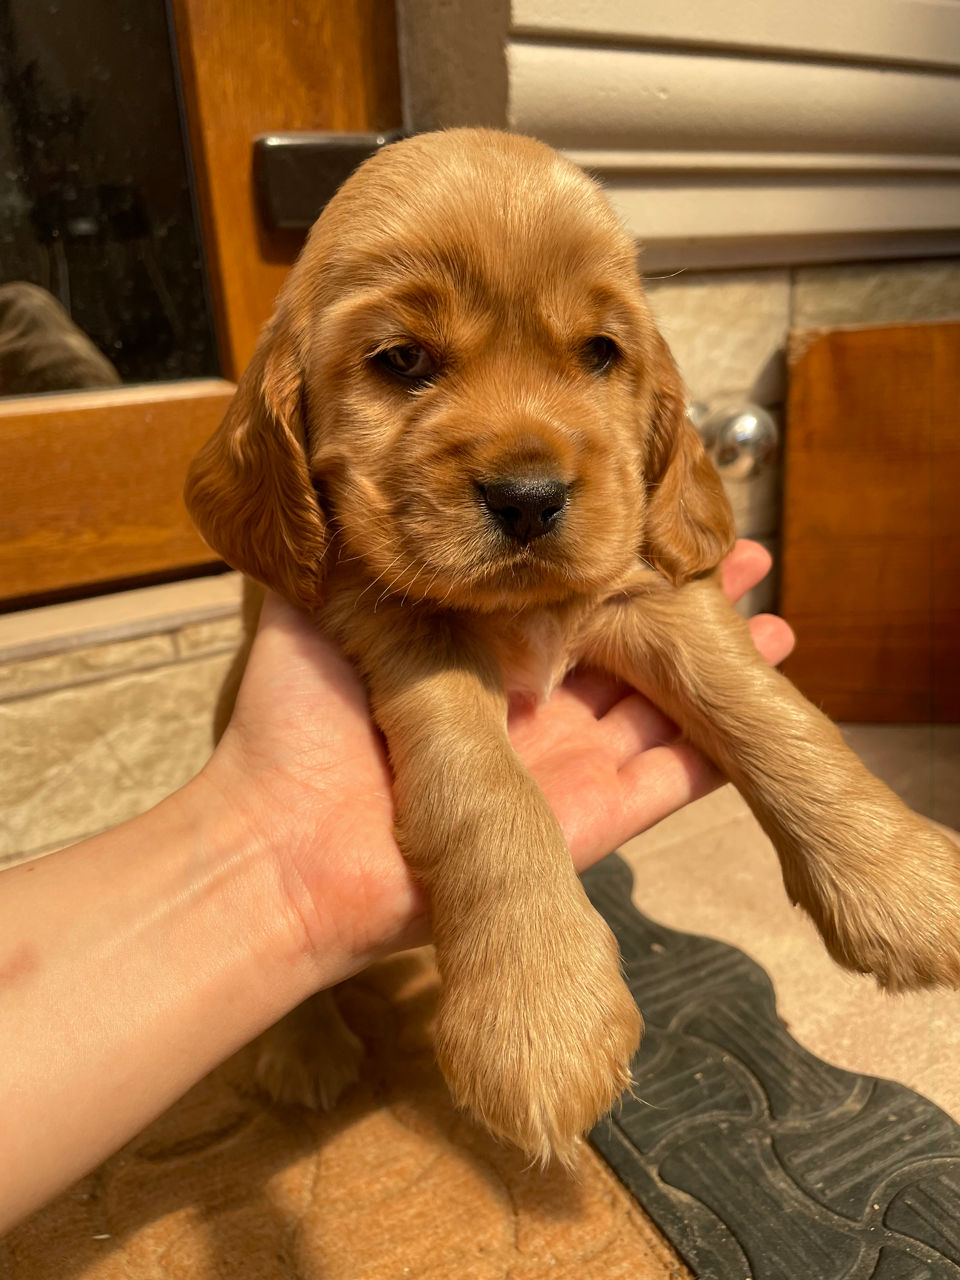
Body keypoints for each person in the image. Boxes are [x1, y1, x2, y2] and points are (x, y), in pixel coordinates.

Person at [0, 541, 792, 1232]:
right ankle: (299, 1016)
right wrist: (275, 850)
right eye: (404, 360)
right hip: (380, 606)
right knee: (277, 678)